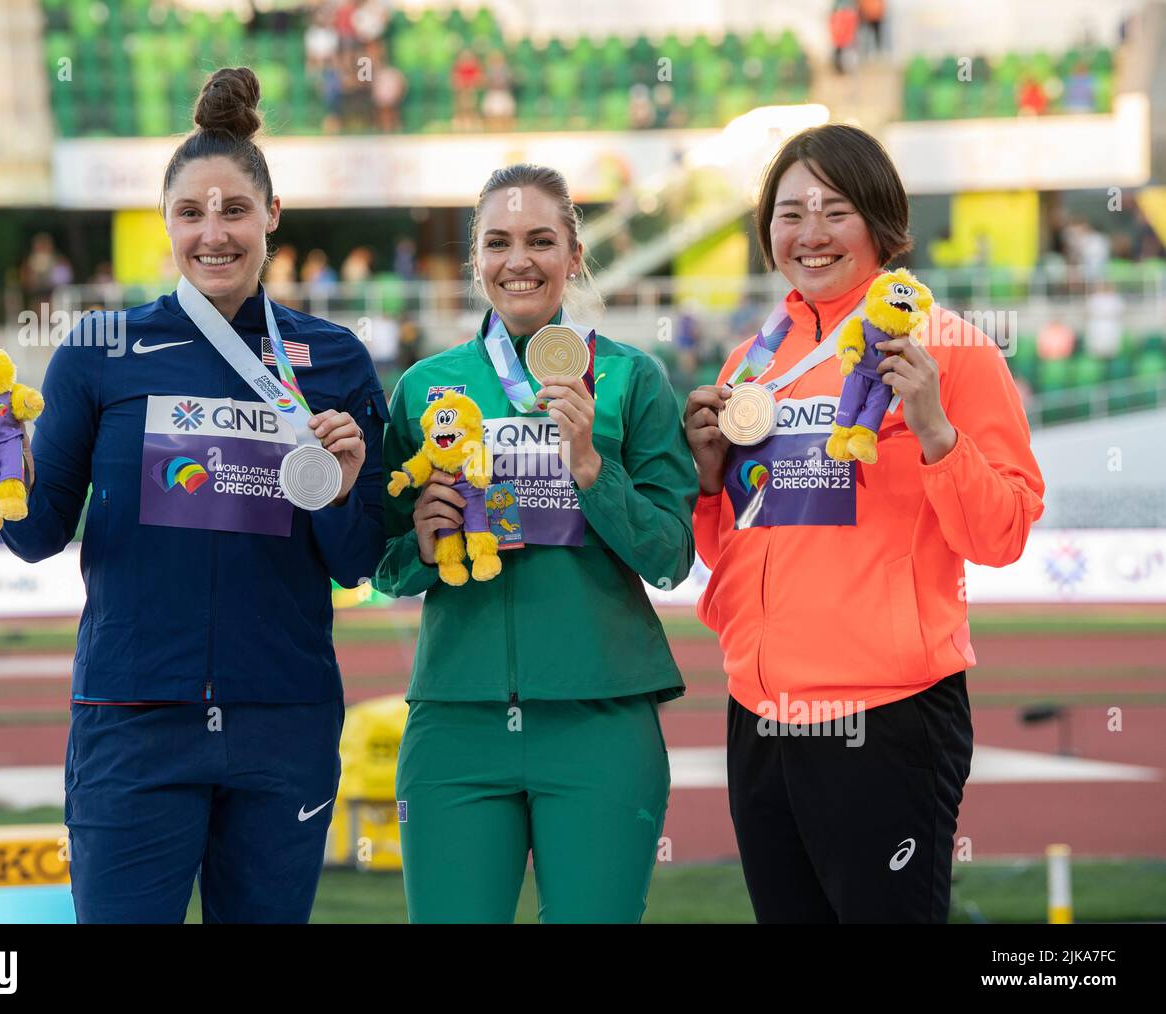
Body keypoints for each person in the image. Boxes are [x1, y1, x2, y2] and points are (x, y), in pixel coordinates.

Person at [0, 67, 387, 923]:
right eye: (191, 214)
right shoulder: (101, 349)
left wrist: (338, 487)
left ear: (272, 217)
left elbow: (359, 557)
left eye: (233, 211)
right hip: (133, 719)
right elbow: (39, 535)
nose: (213, 234)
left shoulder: (333, 359)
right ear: (167, 226)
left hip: (281, 722)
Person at [682, 124, 1044, 923]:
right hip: (761, 715)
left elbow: (1005, 532)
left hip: (885, 718)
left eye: (833, 209)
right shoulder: (750, 362)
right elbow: (736, 551)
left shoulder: (948, 348)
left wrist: (936, 431)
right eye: (789, 212)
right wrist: (708, 486)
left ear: (881, 221)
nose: (809, 234)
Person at [374, 163, 697, 923]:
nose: (518, 259)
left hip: (601, 720)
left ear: (575, 257)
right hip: (456, 723)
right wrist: (419, 546)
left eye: (541, 240)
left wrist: (592, 469)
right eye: (498, 242)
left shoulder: (630, 379)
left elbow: (672, 555)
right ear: (476, 260)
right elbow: (382, 562)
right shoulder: (425, 386)